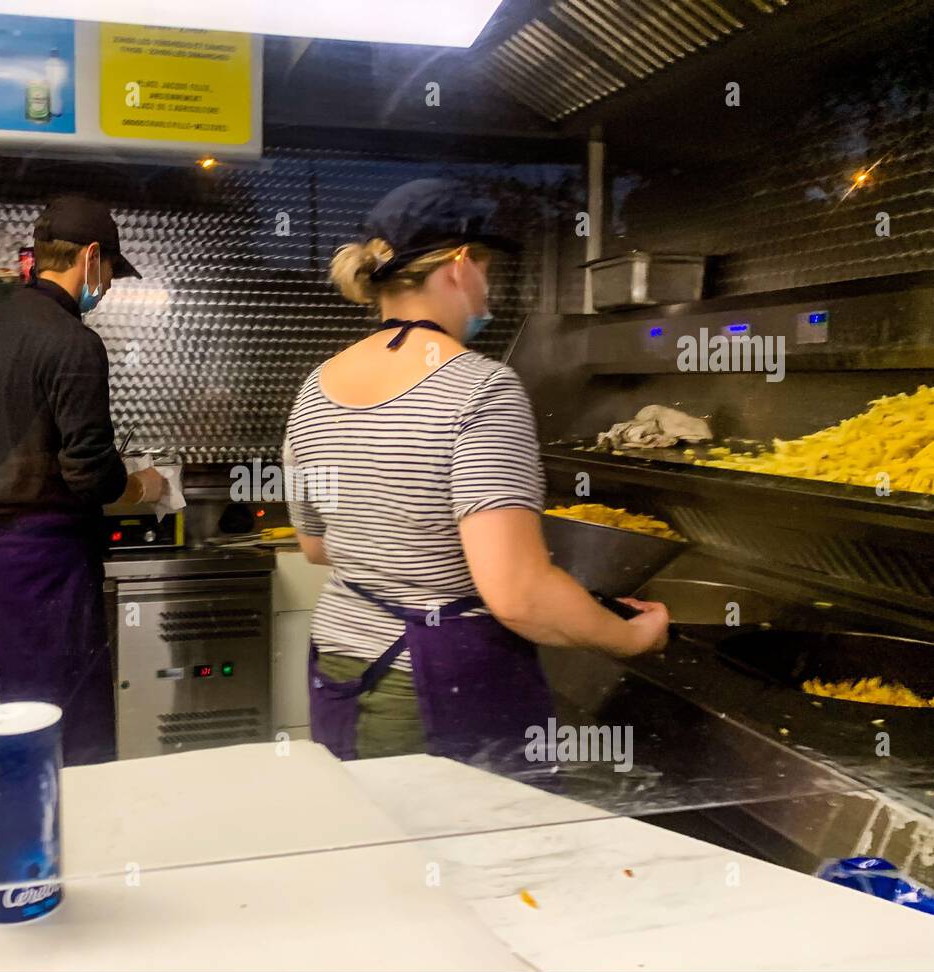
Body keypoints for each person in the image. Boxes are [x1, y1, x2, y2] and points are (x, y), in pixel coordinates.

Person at [283, 178, 669, 766]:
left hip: (340, 663)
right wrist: (633, 637)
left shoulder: (315, 388)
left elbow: (316, 544)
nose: (488, 287)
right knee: (469, 854)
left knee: (374, 846)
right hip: (438, 682)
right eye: (486, 268)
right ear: (461, 266)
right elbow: (516, 594)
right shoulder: (480, 389)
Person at [0, 196, 166, 765]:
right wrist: (145, 488)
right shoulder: (74, 341)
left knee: (22, 711)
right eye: (112, 272)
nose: (110, 286)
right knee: (76, 722)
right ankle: (83, 838)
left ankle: (30, 829)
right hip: (53, 559)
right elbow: (91, 473)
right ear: (91, 257)